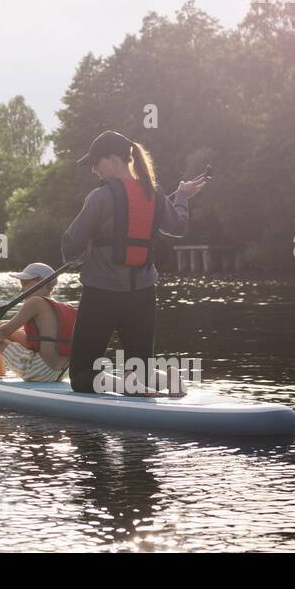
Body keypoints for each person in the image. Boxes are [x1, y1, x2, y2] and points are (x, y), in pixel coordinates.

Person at [62, 131, 207, 395]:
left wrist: (80, 255)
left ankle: (130, 386)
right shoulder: (155, 194)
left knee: (82, 376)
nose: (93, 169)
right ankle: (160, 380)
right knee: (140, 367)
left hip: (102, 293)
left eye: (97, 162)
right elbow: (179, 227)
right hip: (142, 294)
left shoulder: (99, 197)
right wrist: (183, 196)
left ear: (114, 159)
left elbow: (71, 244)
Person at [0, 263, 78, 382]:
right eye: (21, 284)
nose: (22, 289)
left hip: (39, 371)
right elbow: (9, 327)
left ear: (40, 282)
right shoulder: (65, 307)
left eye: (25, 283)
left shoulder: (35, 302)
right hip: (61, 373)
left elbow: (3, 332)